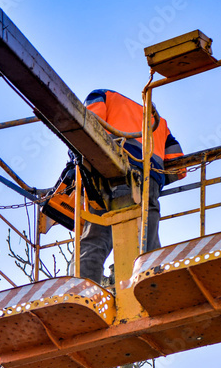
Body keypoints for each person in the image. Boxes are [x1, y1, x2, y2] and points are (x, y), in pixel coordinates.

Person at [65, 89, 186, 283]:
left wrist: (74, 164)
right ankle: (153, 283)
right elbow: (178, 168)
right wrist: (154, 176)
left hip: (111, 170)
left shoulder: (101, 95)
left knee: (95, 238)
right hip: (150, 180)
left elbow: (87, 128)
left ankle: (83, 288)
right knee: (148, 240)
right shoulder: (159, 121)